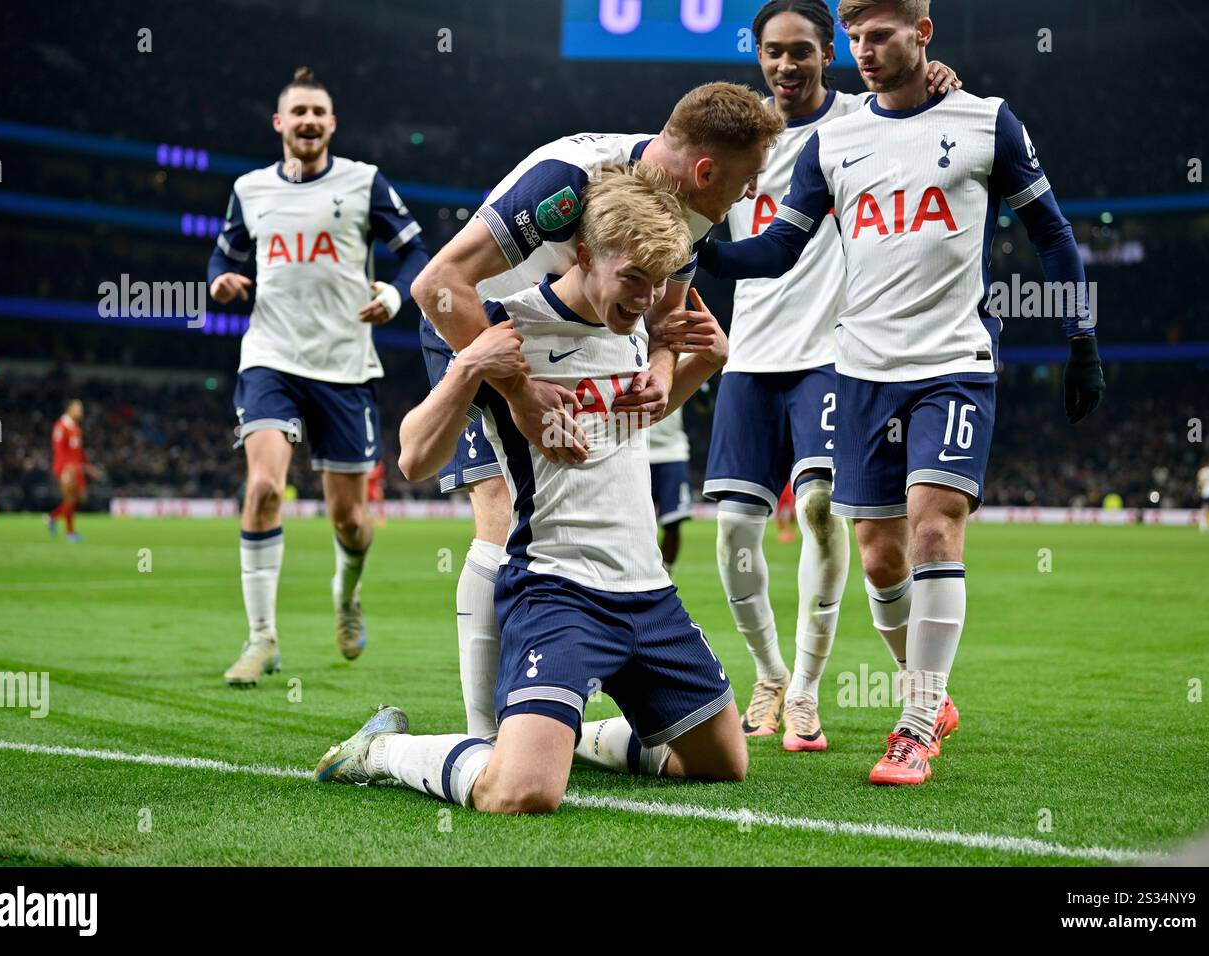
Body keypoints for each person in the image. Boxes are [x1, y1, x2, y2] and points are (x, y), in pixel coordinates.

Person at [698, 0, 1105, 783]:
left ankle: (916, 723)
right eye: (853, 39)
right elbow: (783, 246)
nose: (863, 51)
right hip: (860, 372)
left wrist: (1081, 339)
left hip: (952, 363)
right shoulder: (834, 142)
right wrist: (707, 253)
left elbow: (1052, 232)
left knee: (931, 530)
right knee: (880, 555)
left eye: (878, 36)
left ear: (922, 35)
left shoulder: (988, 123)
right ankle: (929, 689)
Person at [319, 163, 742, 813]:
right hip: (557, 593)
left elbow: (624, 426)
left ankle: (568, 736)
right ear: (581, 254)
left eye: (657, 285)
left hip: (648, 594)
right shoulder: (509, 328)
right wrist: (465, 371)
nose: (644, 301)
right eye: (632, 280)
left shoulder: (633, 322)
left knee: (721, 764)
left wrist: (700, 364)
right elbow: (412, 457)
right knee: (521, 794)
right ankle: (382, 751)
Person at [408, 82, 785, 739]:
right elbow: (438, 284)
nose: (752, 192)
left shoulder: (688, 209)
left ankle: (573, 729)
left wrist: (661, 369)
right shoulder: (569, 181)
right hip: (481, 329)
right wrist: (519, 393)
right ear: (705, 170)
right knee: (505, 514)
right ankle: (483, 737)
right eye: (749, 176)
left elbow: (669, 322)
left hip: (585, 344)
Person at [705, 0, 960, 752]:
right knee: (733, 531)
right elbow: (681, 216)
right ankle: (769, 674)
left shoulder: (863, 121)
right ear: (758, 57)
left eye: (802, 53)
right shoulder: (733, 134)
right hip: (751, 354)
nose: (786, 66)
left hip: (833, 353)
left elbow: (932, 111)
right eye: (772, 53)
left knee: (819, 507)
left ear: (830, 54)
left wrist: (941, 75)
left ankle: (809, 694)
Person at [207, 67, 429, 686]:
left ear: (331, 124)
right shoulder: (249, 189)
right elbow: (223, 252)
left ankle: (347, 593)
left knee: (352, 523)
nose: (307, 121)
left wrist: (393, 294)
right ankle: (262, 639)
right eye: (296, 111)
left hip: (343, 365)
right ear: (279, 123)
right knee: (264, 488)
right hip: (270, 355)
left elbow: (416, 253)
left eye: (317, 112)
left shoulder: (364, 183)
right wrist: (218, 279)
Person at [45, 399, 100, 542]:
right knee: (70, 499)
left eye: (81, 408)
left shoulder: (76, 428)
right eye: (77, 408)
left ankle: (53, 516)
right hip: (66, 468)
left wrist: (89, 468)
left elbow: (79, 452)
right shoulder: (61, 426)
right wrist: (65, 469)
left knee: (80, 499)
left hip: (77, 468)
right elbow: (58, 450)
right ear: (68, 409)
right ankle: (70, 533)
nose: (80, 411)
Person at [646, 408, 692, 576]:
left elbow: (705, 405)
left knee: (673, 522)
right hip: (636, 450)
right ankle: (636, 573)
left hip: (672, 451)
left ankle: (666, 574)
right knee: (634, 522)